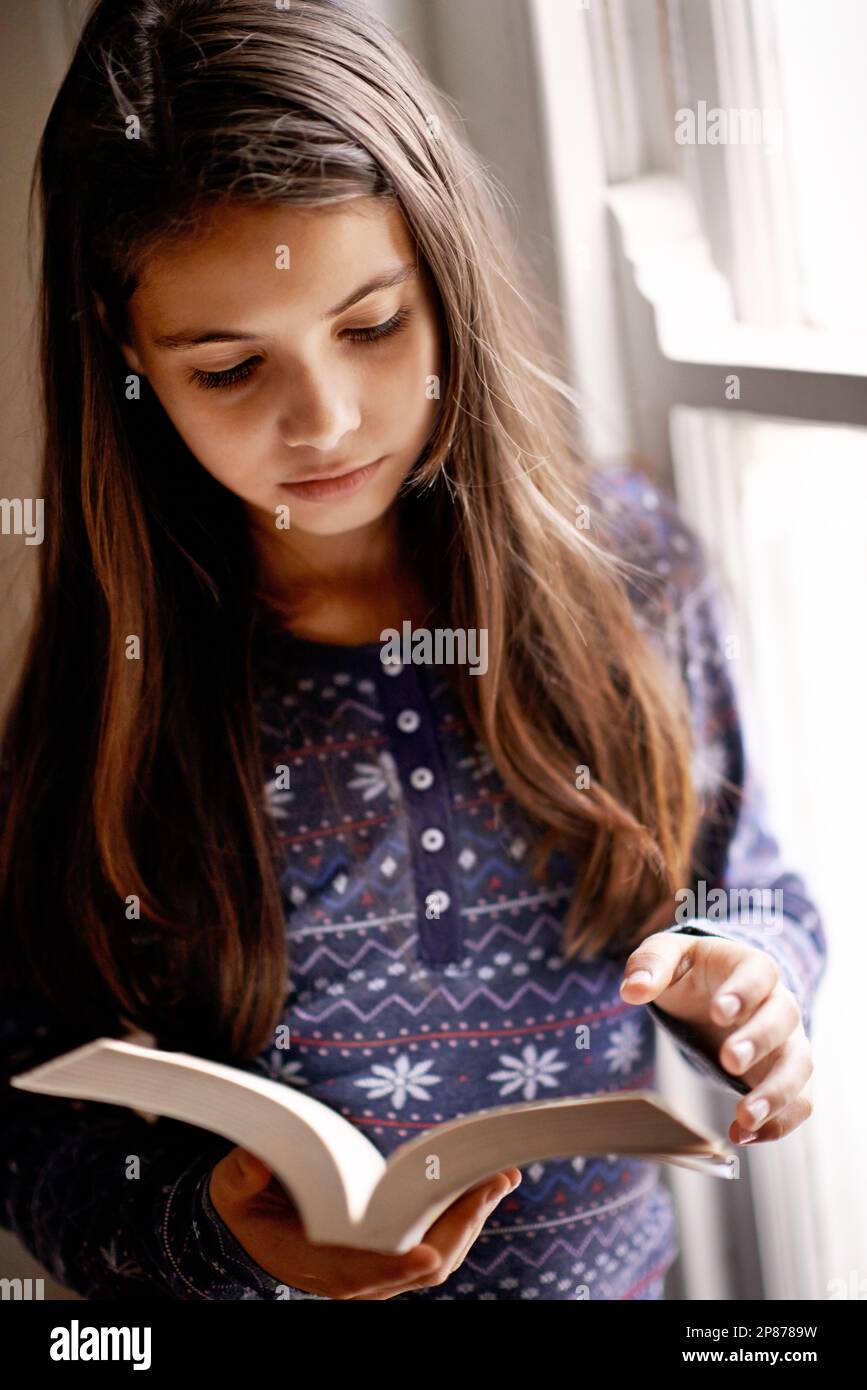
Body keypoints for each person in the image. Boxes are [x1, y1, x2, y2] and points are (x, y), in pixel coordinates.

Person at [0, 0, 826, 1301]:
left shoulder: (634, 574)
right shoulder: (124, 687)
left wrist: (759, 984)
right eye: (227, 370)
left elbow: (747, 885)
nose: (323, 420)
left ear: (445, 277)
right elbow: (24, 1100)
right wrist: (205, 1236)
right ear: (128, 362)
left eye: (373, 326)